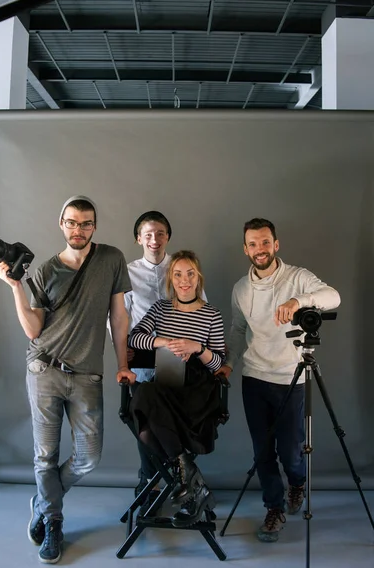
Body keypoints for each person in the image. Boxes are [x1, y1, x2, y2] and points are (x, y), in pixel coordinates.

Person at [0, 195, 131, 564]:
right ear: (61, 224)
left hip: (87, 373)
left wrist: (122, 363)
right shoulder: (46, 271)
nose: (79, 229)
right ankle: (53, 522)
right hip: (44, 370)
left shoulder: (111, 259)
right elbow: (33, 329)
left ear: (95, 227)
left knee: (89, 457)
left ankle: (42, 501)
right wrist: (14, 287)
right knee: (45, 455)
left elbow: (119, 318)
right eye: (72, 222)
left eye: (86, 223)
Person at [221, 217, 340, 543]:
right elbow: (237, 330)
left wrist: (297, 301)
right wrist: (229, 364)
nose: (260, 249)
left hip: (291, 377)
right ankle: (273, 508)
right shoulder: (241, 289)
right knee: (263, 452)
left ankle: (297, 484)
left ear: (276, 244)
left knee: (291, 451)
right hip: (254, 378)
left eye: (265, 242)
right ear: (245, 249)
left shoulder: (298, 278)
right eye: (253, 244)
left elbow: (333, 297)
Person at [118, 250, 226, 528]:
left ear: (198, 277)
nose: (184, 280)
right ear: (171, 278)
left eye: (190, 273)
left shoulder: (212, 314)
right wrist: (164, 342)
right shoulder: (160, 309)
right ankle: (189, 478)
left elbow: (218, 365)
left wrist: (197, 348)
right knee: (143, 398)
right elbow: (135, 338)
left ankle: (188, 481)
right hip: (166, 386)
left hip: (197, 394)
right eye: (178, 274)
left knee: (146, 409)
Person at [124, 211, 172, 507]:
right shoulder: (127, 272)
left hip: (175, 355)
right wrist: (122, 358)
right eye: (148, 234)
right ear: (138, 238)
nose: (154, 240)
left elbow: (200, 305)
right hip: (140, 355)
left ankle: (178, 480)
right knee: (144, 421)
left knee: (172, 418)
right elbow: (117, 319)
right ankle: (149, 481)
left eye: (161, 233)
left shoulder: (180, 267)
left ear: (168, 237)